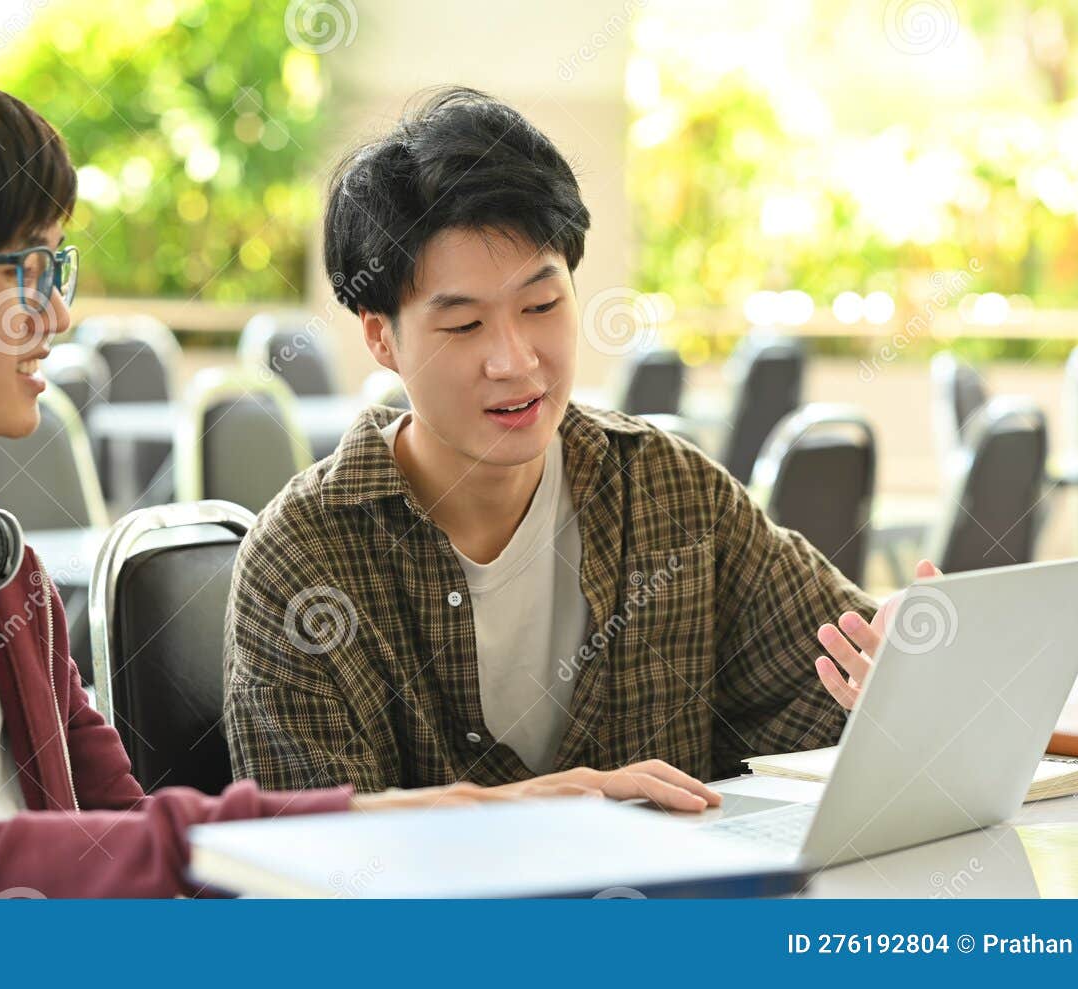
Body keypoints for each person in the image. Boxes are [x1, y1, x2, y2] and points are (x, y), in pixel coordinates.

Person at [0, 70, 716, 899]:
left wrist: (479, 816)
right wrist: (442, 817)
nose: (56, 314)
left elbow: (133, 844)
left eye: (58, 270)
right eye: (23, 271)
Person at [224, 87, 924, 794]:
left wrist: (905, 668)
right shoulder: (303, 561)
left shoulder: (670, 492)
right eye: (464, 325)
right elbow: (306, 862)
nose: (516, 360)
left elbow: (834, 675)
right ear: (381, 335)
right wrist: (534, 810)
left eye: (542, 305)